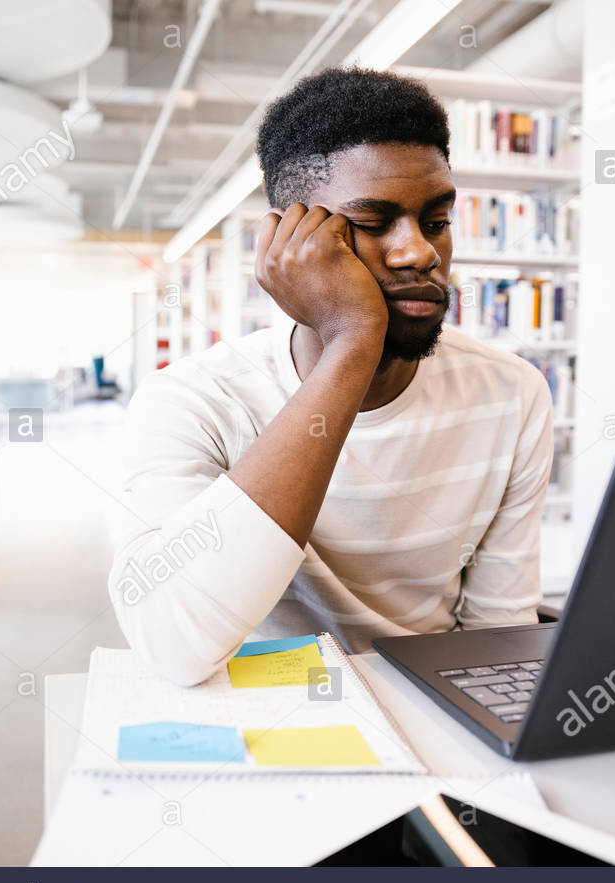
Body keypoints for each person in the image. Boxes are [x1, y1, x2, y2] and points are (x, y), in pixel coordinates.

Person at [109, 67, 553, 685]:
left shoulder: (512, 392)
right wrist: (352, 344)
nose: (419, 252)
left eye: (436, 221)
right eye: (373, 224)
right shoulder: (193, 400)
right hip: (266, 719)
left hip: (435, 711)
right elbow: (173, 645)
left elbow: (499, 639)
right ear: (288, 243)